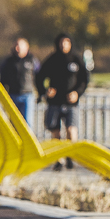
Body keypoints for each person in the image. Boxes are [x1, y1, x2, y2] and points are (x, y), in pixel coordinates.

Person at [35, 33, 88, 170]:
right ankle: (59, 159)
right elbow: (39, 77)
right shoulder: (52, 59)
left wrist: (77, 93)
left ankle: (71, 155)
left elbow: (84, 79)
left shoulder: (76, 59)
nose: (63, 45)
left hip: (71, 102)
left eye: (66, 42)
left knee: (71, 130)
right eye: (61, 43)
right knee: (55, 132)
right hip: (55, 102)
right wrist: (45, 91)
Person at [0, 37, 39, 122]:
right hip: (13, 94)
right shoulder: (9, 61)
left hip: (28, 94)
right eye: (16, 45)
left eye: (20, 46)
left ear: (26, 47)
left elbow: (38, 75)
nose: (17, 48)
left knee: (27, 122)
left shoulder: (32, 60)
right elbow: (3, 77)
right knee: (14, 122)